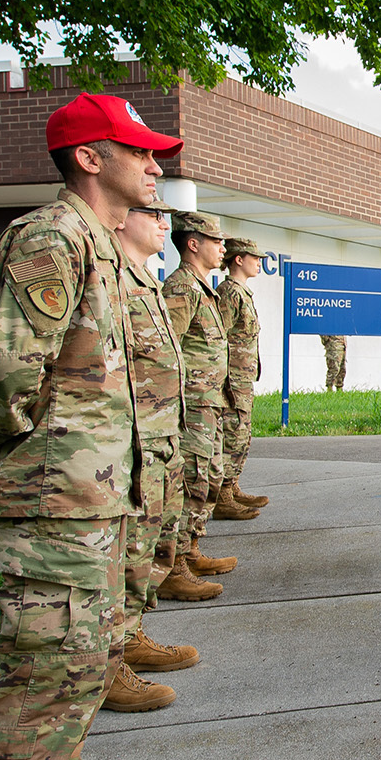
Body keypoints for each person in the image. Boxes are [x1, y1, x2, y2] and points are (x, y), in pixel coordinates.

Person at [0, 91, 169, 760]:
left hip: (90, 493)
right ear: (89, 157)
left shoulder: (98, 247)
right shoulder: (50, 236)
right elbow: (11, 372)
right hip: (52, 496)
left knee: (80, 659)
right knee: (40, 668)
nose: (154, 164)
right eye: (138, 150)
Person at [103, 201, 197, 710]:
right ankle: (111, 659)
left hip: (158, 438)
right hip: (123, 445)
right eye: (153, 214)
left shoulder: (142, 279)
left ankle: (129, 636)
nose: (165, 224)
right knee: (122, 555)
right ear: (121, 218)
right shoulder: (106, 275)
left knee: (144, 549)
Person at [161, 211, 244, 600]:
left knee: (206, 478)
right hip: (191, 406)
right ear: (192, 243)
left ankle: (190, 550)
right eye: (215, 241)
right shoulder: (182, 288)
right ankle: (173, 566)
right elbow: (166, 348)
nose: (222, 248)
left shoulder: (202, 288)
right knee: (190, 480)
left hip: (209, 403)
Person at [213, 237, 270, 517]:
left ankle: (232, 486)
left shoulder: (242, 292)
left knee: (241, 435)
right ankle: (223, 497)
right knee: (232, 436)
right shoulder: (229, 293)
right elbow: (218, 336)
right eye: (254, 257)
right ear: (238, 259)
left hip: (242, 378)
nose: (259, 262)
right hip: (231, 379)